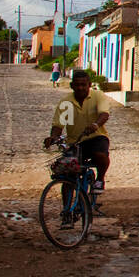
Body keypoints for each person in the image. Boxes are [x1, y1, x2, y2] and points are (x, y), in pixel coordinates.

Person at [44, 70, 112, 198]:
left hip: (96, 137)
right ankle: (67, 212)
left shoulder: (98, 96)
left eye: (83, 84)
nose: (80, 87)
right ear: (72, 86)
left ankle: (100, 179)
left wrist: (96, 125)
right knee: (68, 176)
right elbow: (59, 125)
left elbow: (104, 114)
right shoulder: (67, 102)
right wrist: (53, 137)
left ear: (89, 84)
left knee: (100, 154)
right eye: (77, 85)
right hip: (75, 142)